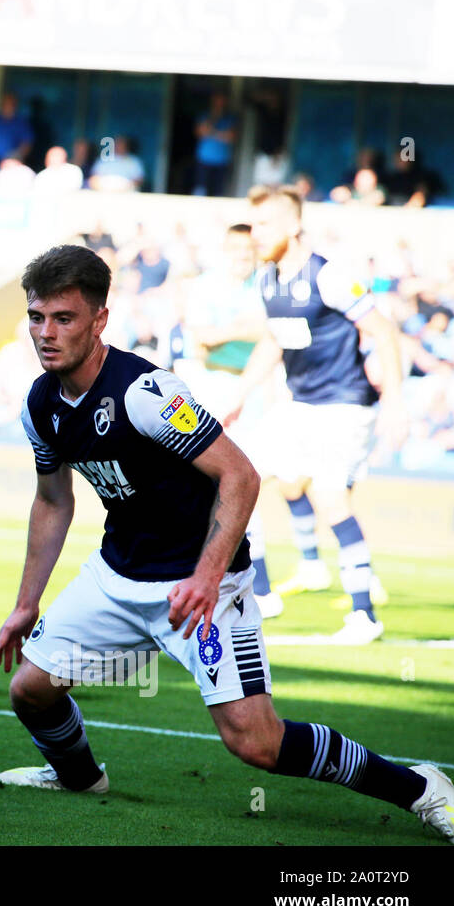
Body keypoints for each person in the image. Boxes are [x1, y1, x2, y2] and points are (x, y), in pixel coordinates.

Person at [0, 244, 454, 845]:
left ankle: (420, 788)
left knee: (256, 742)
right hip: (118, 576)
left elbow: (241, 476)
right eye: (36, 317)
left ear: (100, 319)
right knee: (31, 689)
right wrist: (27, 603)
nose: (46, 333)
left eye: (64, 318)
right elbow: (54, 501)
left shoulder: (146, 393)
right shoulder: (40, 403)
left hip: (206, 586)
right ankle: (80, 778)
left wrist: (208, 577)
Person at [225, 186, 403, 643]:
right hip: (300, 404)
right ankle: (261, 593)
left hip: (345, 404)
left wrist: (397, 404)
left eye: (264, 226)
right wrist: (240, 395)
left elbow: (383, 332)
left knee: (330, 499)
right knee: (236, 476)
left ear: (293, 225)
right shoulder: (267, 278)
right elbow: (273, 340)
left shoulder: (330, 276)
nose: (256, 235)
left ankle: (364, 616)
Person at [173, 224, 282, 618]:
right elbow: (201, 338)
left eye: (248, 248)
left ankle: (262, 586)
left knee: (242, 483)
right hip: (213, 385)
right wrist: (247, 328)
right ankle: (229, 580)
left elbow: (271, 333)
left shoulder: (268, 283)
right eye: (235, 248)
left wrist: (230, 332)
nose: (242, 255)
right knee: (210, 486)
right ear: (225, 249)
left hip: (254, 390)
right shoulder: (205, 286)